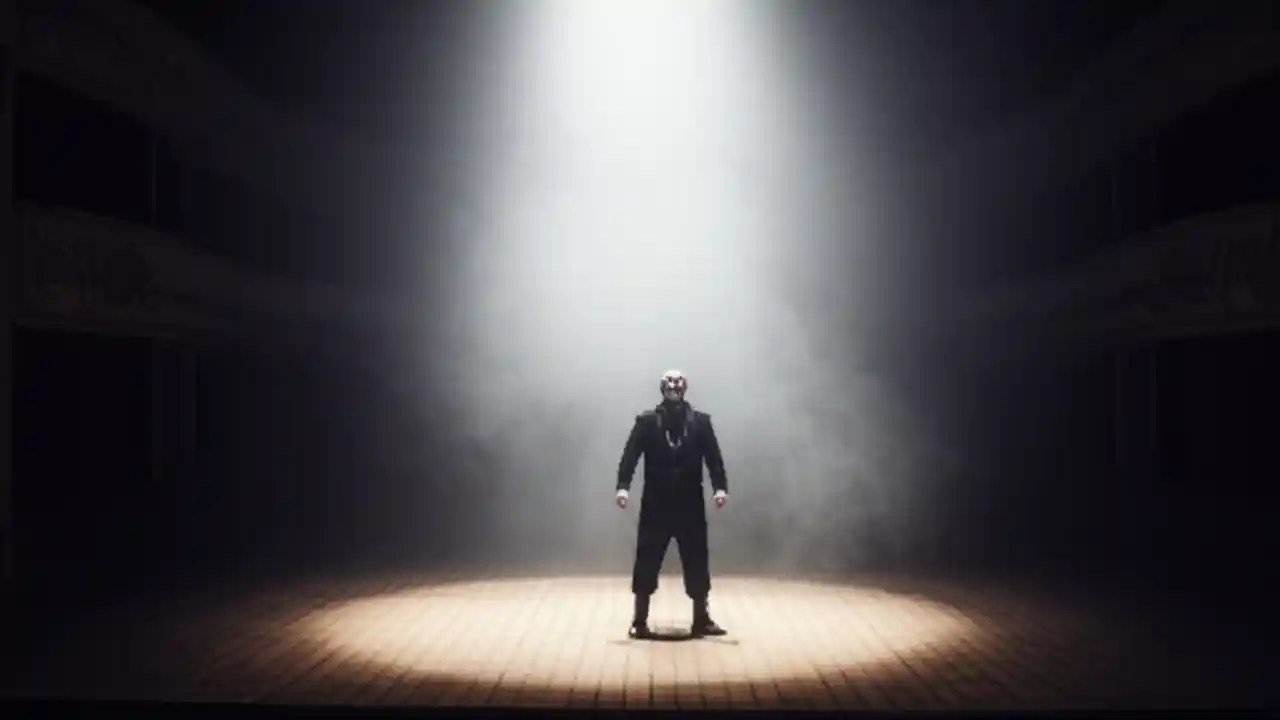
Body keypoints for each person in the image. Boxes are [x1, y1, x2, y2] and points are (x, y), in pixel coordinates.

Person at [616, 369, 728, 638]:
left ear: (685, 388)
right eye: (669, 386)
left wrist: (720, 486)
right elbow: (630, 456)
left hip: (690, 503)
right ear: (662, 389)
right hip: (656, 503)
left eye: (678, 386)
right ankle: (639, 620)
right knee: (647, 558)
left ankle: (701, 618)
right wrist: (623, 486)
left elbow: (714, 457)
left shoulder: (700, 422)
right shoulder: (646, 422)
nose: (674, 390)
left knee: (696, 559)